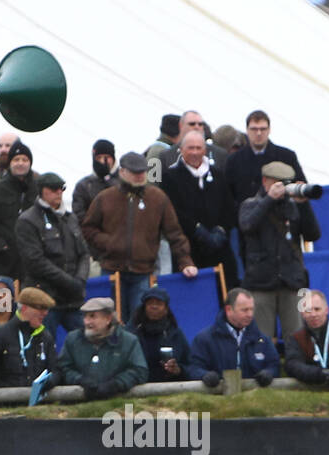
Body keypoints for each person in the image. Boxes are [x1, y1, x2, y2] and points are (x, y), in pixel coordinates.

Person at [81, 151, 196, 321]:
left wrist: (185, 261)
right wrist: (108, 243)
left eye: (142, 171)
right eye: (135, 172)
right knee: (110, 322)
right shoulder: (105, 198)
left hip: (143, 273)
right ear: (122, 172)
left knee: (138, 322)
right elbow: (88, 229)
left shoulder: (158, 198)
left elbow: (174, 233)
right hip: (111, 271)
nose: (140, 176)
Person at [239, 161, 321, 340]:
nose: (284, 188)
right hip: (261, 281)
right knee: (262, 338)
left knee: (296, 335)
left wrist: (303, 205)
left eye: (287, 182)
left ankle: (296, 367)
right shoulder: (251, 204)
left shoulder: (292, 206)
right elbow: (247, 225)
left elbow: (313, 234)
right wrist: (269, 199)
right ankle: (265, 368)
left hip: (290, 279)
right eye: (279, 182)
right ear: (265, 181)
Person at [159, 129, 240, 287]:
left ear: (205, 150)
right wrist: (197, 230)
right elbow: (173, 212)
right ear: (181, 150)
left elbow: (229, 207)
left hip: (220, 249)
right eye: (190, 148)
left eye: (198, 148)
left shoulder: (218, 175)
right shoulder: (170, 178)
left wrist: (221, 230)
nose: (195, 152)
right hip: (189, 251)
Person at [14, 171, 88, 340]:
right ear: (41, 190)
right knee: (42, 346)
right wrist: (70, 282)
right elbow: (35, 262)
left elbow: (84, 253)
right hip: (44, 299)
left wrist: (81, 280)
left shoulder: (70, 219)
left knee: (86, 343)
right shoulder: (27, 221)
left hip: (73, 300)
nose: (59, 193)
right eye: (53, 189)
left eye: (61, 188)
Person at [54, 297, 148, 400]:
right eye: (85, 317)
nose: (87, 322)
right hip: (77, 404)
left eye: (92, 317)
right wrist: (79, 380)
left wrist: (116, 384)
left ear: (108, 319)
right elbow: (63, 367)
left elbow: (140, 371)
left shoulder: (129, 341)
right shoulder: (72, 339)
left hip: (117, 404)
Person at [185, 288, 279, 388]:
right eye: (244, 310)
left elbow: (274, 365)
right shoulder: (204, 339)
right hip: (217, 399)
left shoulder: (262, 340)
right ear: (228, 310)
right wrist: (204, 375)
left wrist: (268, 373)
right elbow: (193, 367)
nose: (250, 314)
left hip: (254, 399)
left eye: (252, 309)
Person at [0, 287, 58, 388]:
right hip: (9, 401)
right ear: (24, 308)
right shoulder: (3, 333)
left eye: (46, 309)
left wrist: (50, 382)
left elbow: (55, 370)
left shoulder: (46, 337)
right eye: (40, 308)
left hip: (39, 402)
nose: (45, 313)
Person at [0, 139, 38, 280]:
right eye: (16, 160)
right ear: (10, 163)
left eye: (24, 159)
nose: (20, 163)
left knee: (31, 300)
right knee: (3, 300)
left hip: (32, 263)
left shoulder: (38, 188)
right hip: (4, 263)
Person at [224, 110, 307, 209]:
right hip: (245, 219)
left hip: (279, 218)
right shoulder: (233, 160)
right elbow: (227, 196)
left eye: (263, 129)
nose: (258, 133)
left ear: (269, 130)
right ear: (247, 130)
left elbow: (301, 189)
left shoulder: (287, 156)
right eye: (254, 129)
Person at [125, 286, 191, 383]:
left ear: (166, 309)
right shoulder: (131, 332)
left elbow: (190, 366)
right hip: (136, 385)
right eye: (150, 303)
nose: (154, 306)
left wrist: (178, 370)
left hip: (169, 387)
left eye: (159, 303)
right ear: (144, 307)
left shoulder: (175, 333)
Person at [72, 139, 117, 221]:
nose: (103, 161)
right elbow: (79, 216)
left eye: (107, 157)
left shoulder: (125, 182)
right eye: (99, 157)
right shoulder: (83, 186)